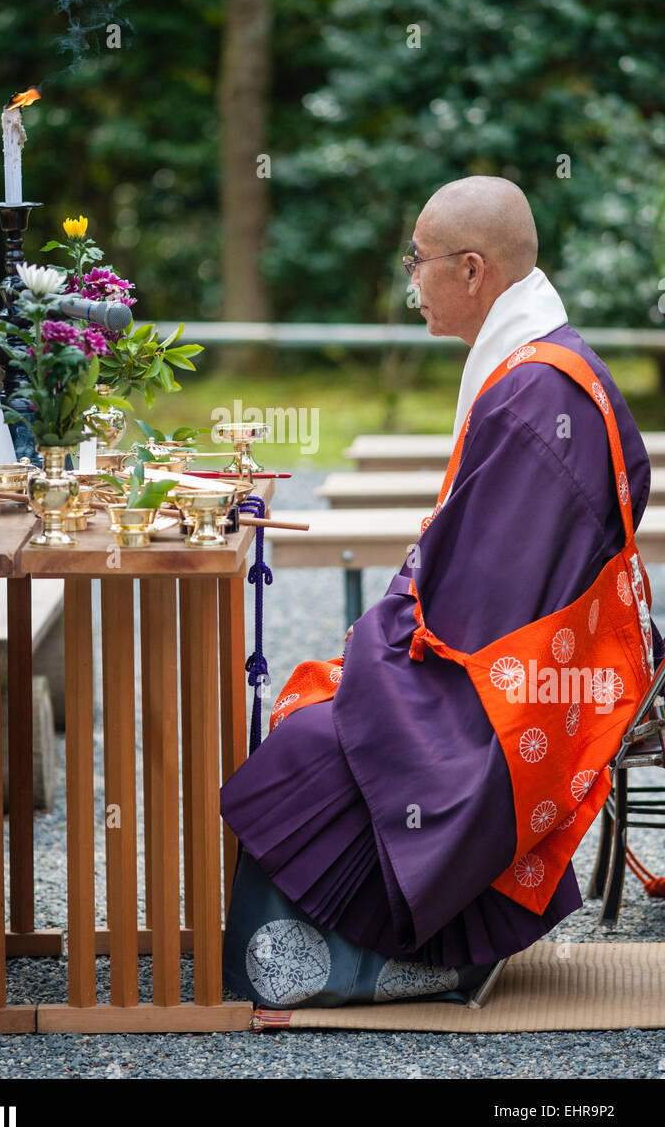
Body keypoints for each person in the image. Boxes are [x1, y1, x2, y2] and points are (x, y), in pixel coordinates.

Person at [220, 175, 664, 972]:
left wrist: (382, 641)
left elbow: (484, 601)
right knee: (332, 698)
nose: (407, 279)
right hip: (544, 647)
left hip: (529, 681)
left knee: (316, 737)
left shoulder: (536, 392)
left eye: (414, 260)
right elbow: (479, 564)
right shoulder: (535, 367)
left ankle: (379, 962)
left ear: (470, 270)